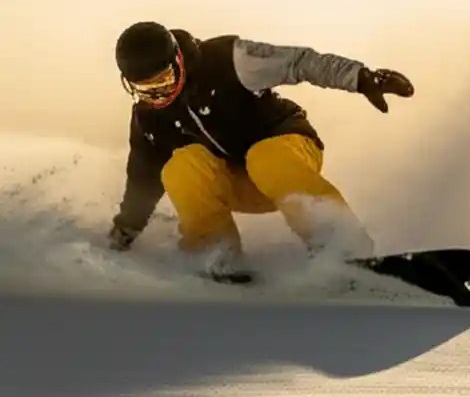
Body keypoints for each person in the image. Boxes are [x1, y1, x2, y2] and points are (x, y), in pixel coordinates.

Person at [107, 21, 416, 278]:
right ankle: (216, 258)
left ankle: (343, 250)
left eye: (164, 80)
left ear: (178, 61)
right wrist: (126, 229)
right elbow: (143, 177)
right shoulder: (148, 117)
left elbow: (300, 61)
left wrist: (360, 78)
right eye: (146, 89)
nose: (159, 94)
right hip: (240, 182)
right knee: (179, 167)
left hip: (288, 152)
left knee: (264, 158)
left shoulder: (229, 59)